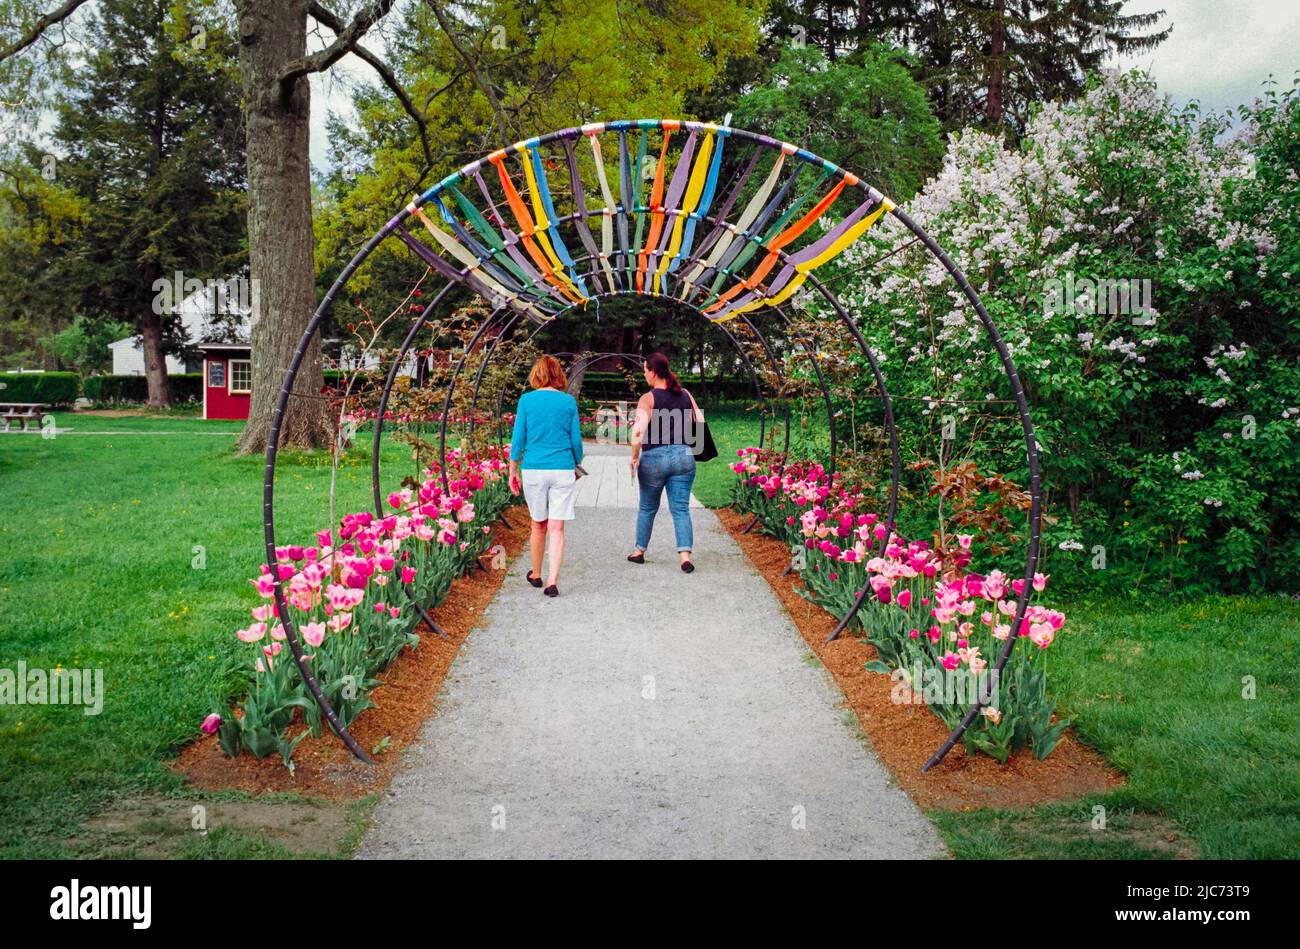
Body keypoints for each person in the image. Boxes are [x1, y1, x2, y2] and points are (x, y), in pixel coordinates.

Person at [508, 355, 583, 597]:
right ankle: (552, 581)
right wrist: (577, 463)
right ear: (559, 375)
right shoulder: (568, 402)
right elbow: (576, 441)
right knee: (557, 526)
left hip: (534, 468)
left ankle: (537, 573)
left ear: (537, 374)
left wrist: (512, 469)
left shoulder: (527, 401)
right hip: (562, 468)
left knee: (538, 523)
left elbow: (518, 437)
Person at [627, 352, 704, 573]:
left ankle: (639, 552)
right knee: (680, 508)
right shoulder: (686, 394)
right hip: (683, 456)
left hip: (654, 459)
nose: (644, 375)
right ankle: (685, 556)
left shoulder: (648, 398)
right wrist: (694, 449)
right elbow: (700, 420)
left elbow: (638, 431)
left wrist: (634, 457)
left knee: (647, 507)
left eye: (644, 370)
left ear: (652, 372)